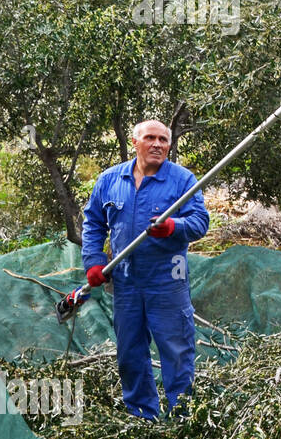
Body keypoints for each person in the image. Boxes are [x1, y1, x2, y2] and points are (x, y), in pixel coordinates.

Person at [82, 120, 209, 419]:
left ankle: (183, 417)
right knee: (130, 353)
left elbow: (200, 222)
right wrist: (94, 262)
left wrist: (173, 227)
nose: (157, 144)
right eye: (150, 138)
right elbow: (93, 224)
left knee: (176, 351)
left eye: (163, 140)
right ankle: (142, 416)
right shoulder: (110, 180)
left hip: (167, 281)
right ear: (134, 142)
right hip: (126, 282)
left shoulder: (181, 180)